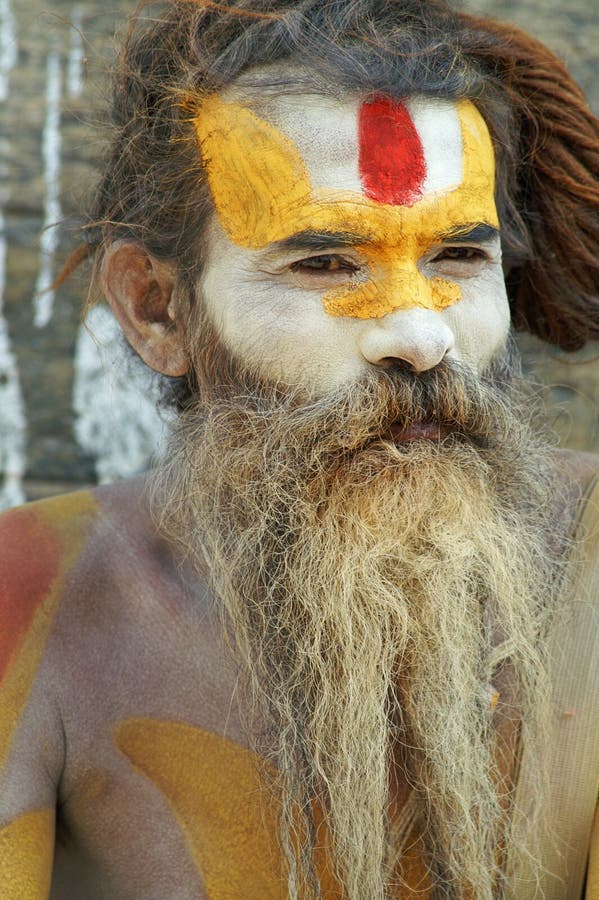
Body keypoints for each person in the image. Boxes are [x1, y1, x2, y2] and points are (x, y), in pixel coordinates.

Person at [1, 1, 598, 897]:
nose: (418, 336)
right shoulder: (28, 596)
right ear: (157, 309)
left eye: (458, 258)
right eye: (324, 263)